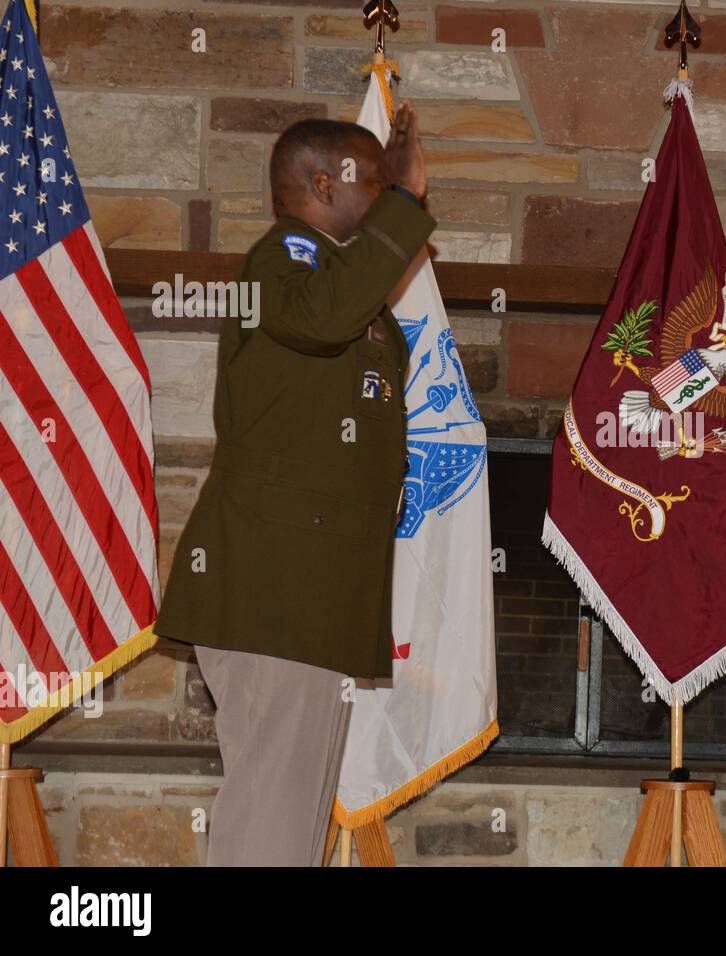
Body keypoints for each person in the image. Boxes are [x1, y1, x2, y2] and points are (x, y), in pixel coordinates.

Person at [153, 106, 435, 866]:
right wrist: (405, 205)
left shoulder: (345, 289)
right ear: (321, 183)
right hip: (276, 593)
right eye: (373, 183)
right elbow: (321, 317)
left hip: (310, 600)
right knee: (272, 824)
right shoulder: (282, 262)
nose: (386, 195)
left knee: (286, 825)